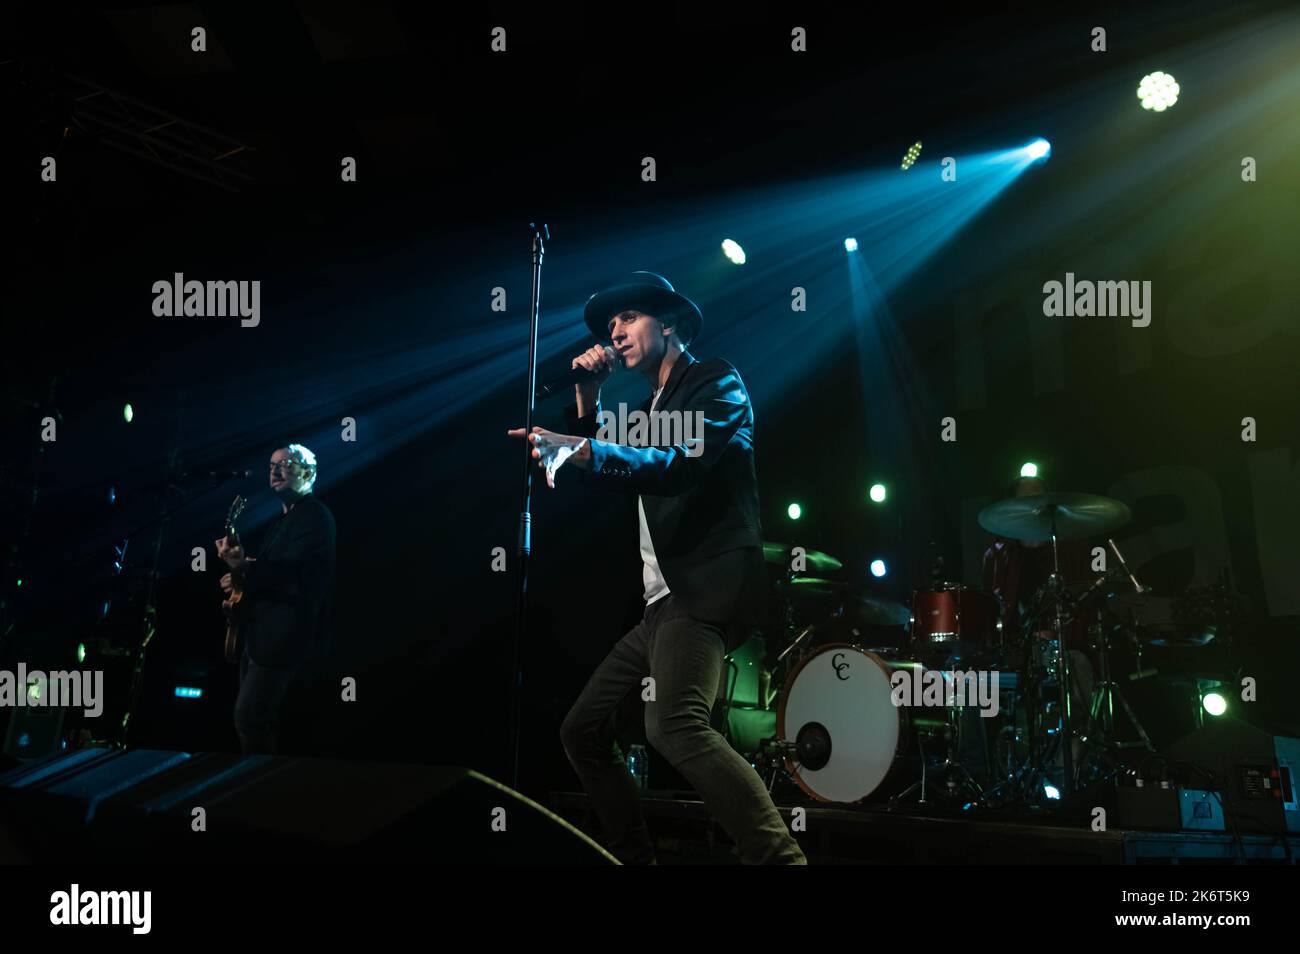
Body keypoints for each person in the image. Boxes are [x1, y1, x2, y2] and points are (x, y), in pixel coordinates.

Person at [508, 271, 805, 864]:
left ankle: (779, 857)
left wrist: (587, 448)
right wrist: (589, 403)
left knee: (673, 725)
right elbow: (609, 474)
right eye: (609, 326)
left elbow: (676, 463)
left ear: (667, 323)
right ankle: (634, 856)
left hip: (702, 589)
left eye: (628, 319)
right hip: (660, 605)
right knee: (581, 731)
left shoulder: (717, 381)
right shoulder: (645, 408)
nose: (614, 333)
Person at [217, 443, 335, 755]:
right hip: (260, 636)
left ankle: (258, 790)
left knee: (250, 717)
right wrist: (239, 575)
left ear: (307, 472)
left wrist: (242, 567)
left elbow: (291, 572)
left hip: (283, 636)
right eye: (271, 465)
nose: (275, 470)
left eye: (285, 464)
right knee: (253, 718)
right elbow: (270, 571)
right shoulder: (281, 521)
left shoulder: (315, 516)